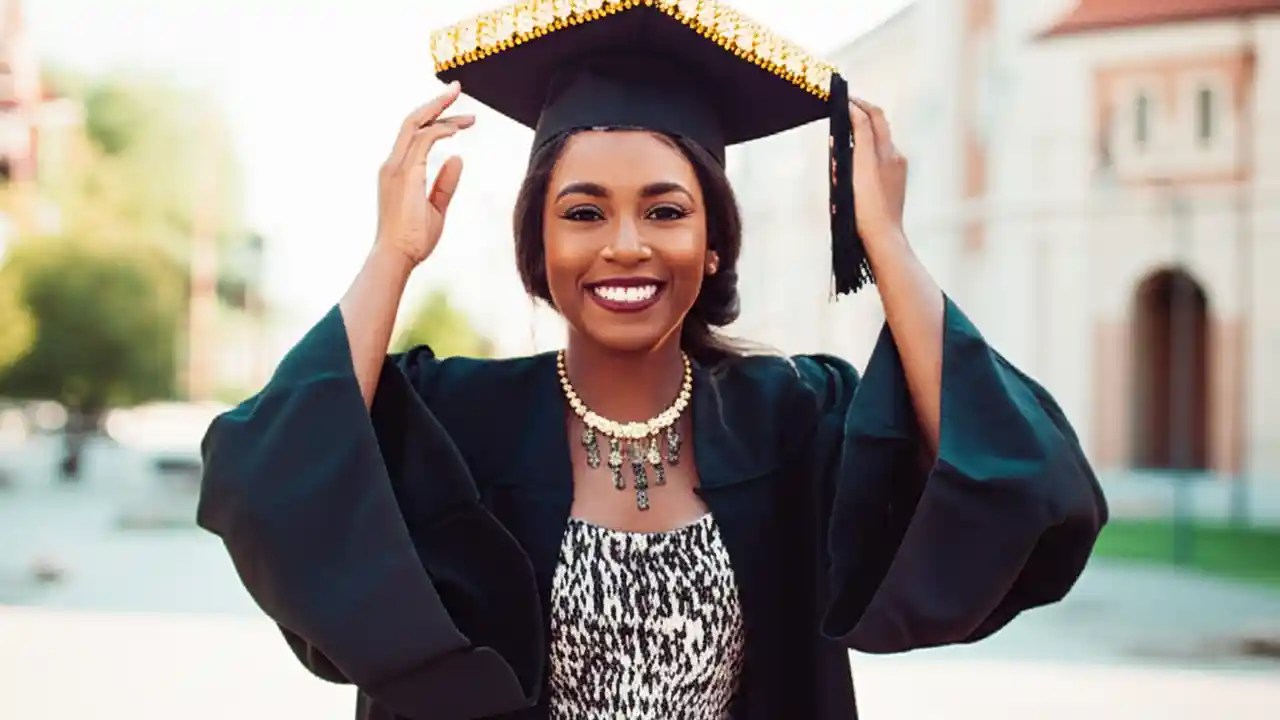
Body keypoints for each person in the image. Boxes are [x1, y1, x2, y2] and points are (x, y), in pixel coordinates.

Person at [198, 2, 1108, 719]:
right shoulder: (455, 421)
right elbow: (266, 481)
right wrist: (391, 254)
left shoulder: (791, 420)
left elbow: (1028, 492)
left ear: (714, 244)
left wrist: (888, 245)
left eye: (667, 211)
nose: (626, 244)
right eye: (583, 212)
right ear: (537, 248)